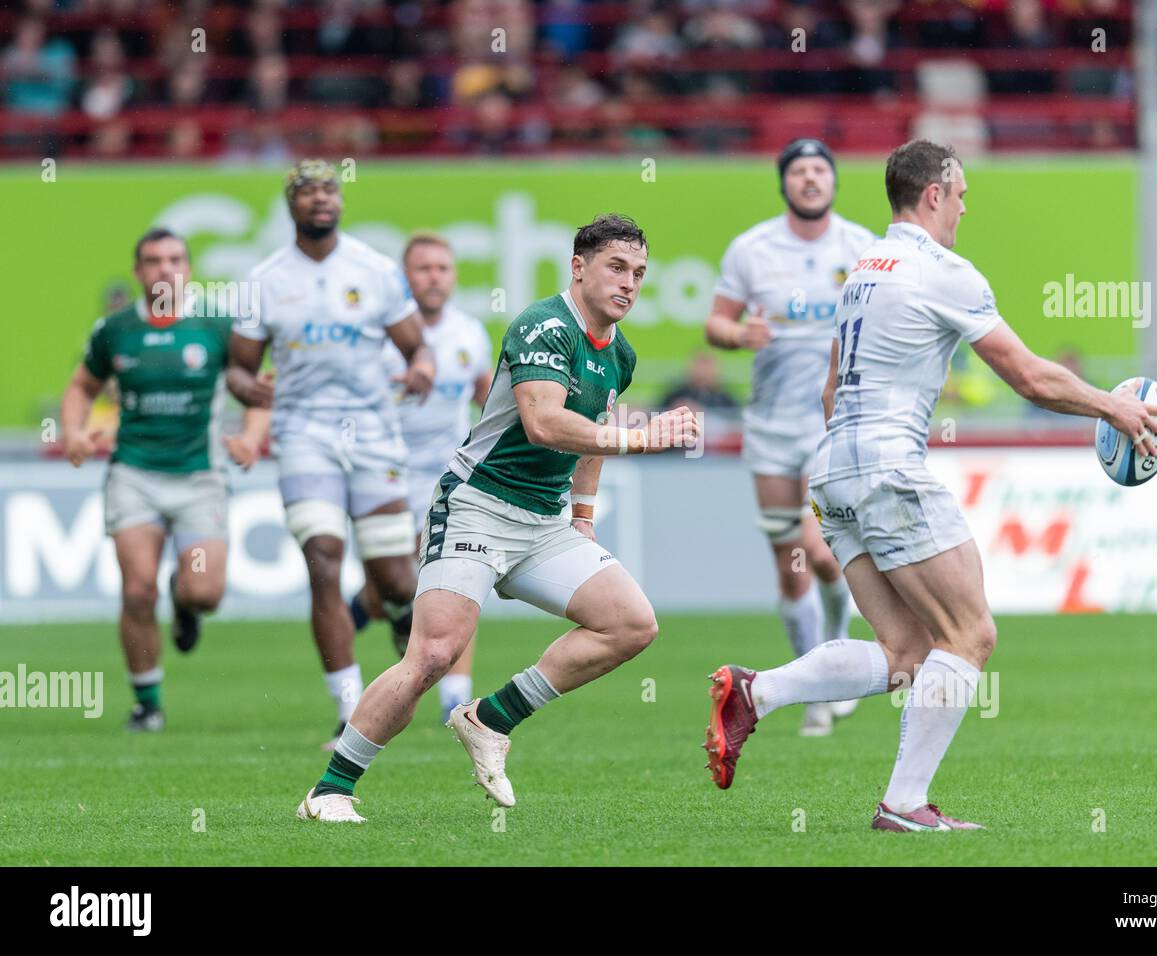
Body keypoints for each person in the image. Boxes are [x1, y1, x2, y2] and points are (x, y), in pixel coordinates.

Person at [704, 139, 1157, 831]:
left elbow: (832, 386)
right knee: (971, 633)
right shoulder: (945, 271)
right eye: (959, 195)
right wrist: (1114, 405)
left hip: (834, 468)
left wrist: (854, 461)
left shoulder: (860, 268)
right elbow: (1030, 377)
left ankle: (757, 691)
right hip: (887, 468)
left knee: (904, 654)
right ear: (933, 193)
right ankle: (902, 803)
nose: (962, 208)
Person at [296, 214, 699, 823]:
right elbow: (545, 422)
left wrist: (583, 517)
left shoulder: (619, 352)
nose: (629, 283)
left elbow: (589, 442)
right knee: (433, 654)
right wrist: (642, 438)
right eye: (617, 267)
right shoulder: (543, 325)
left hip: (543, 523)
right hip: (478, 506)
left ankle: (490, 718)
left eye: (639, 273)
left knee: (631, 624)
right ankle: (330, 789)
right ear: (579, 266)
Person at [225, 159, 435, 751]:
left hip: (371, 432)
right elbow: (239, 370)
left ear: (340, 201)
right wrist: (250, 389)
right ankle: (349, 711)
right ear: (290, 204)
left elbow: (417, 348)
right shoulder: (263, 279)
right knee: (322, 559)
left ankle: (399, 615)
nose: (321, 199)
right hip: (303, 434)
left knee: (395, 579)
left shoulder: (373, 270)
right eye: (308, 191)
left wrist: (420, 371)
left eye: (329, 190)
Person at [60, 228, 268, 731]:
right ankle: (148, 702)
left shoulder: (217, 326)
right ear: (138, 271)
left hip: (200, 477)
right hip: (134, 475)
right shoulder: (115, 329)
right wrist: (72, 431)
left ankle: (185, 598)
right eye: (152, 260)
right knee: (136, 591)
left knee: (205, 592)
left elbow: (257, 390)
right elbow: (81, 385)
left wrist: (251, 436)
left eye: (174, 259)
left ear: (188, 269)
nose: (164, 269)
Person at [704, 138, 875, 736]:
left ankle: (836, 655)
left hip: (832, 422)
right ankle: (817, 692)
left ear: (832, 182)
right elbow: (716, 324)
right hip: (771, 426)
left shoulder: (860, 247)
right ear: (784, 183)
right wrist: (737, 335)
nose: (810, 179)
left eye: (819, 170)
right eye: (799, 171)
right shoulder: (753, 249)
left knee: (823, 553)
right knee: (791, 564)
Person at [348, 233, 494, 723]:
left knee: (460, 578)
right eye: (423, 269)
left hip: (449, 475)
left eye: (443, 268)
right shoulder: (382, 335)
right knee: (395, 586)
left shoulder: (470, 333)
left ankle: (456, 693)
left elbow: (486, 398)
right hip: (385, 471)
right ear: (404, 277)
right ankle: (364, 608)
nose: (435, 277)